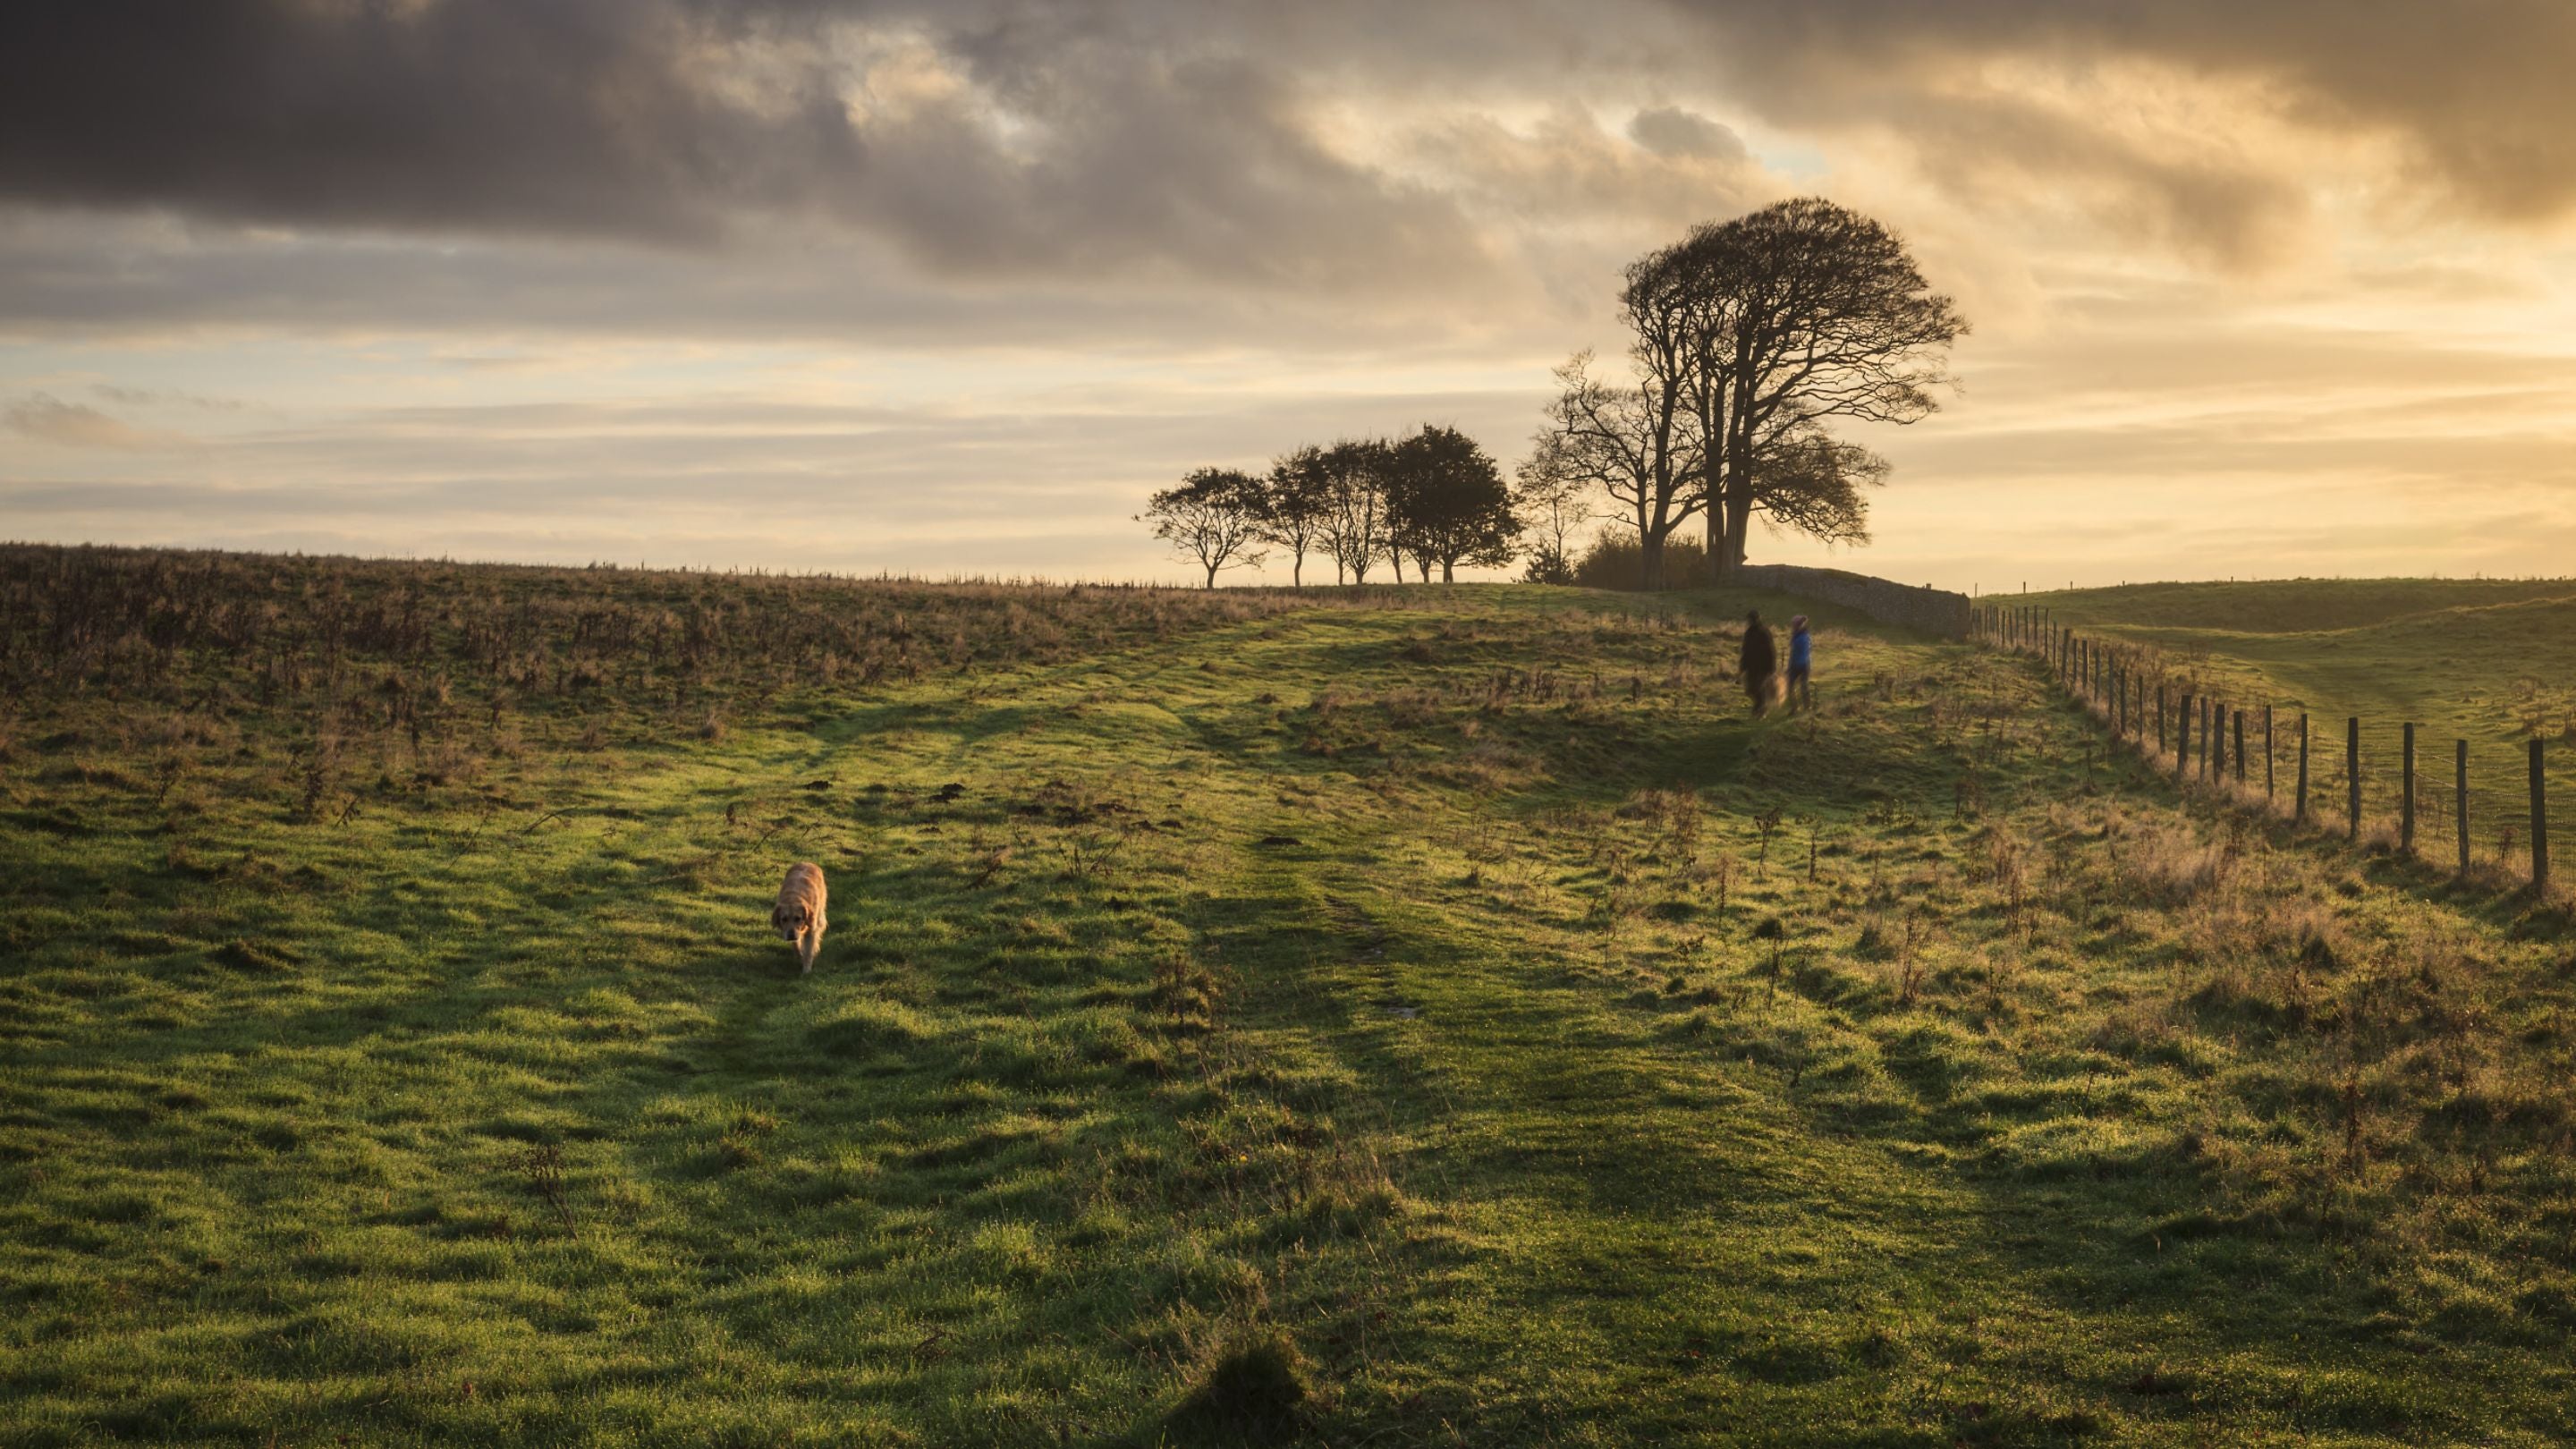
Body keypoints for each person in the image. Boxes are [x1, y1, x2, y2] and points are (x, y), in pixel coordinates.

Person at [1738, 610, 1778, 717]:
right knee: (1749, 689)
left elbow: (1771, 650)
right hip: (1751, 666)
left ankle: (1761, 709)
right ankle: (1761, 705)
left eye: (1751, 620)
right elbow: (1745, 651)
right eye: (1749, 620)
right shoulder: (1748, 633)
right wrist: (1742, 667)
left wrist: (1772, 667)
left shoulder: (1764, 632)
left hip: (1763, 666)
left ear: (1756, 620)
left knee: (1759, 687)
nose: (1749, 622)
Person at [1786, 614, 1813, 710]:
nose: (1792, 626)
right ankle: (1798, 707)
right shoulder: (1799, 635)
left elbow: (1799, 653)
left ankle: (1804, 707)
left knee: (1802, 686)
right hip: (1799, 664)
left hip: (1802, 665)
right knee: (1793, 686)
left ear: (1797, 625)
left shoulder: (1803, 637)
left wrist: (1791, 666)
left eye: (1793, 625)